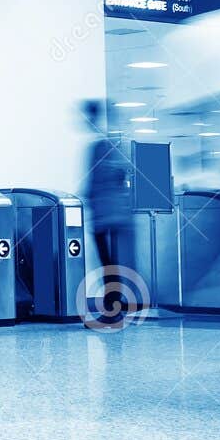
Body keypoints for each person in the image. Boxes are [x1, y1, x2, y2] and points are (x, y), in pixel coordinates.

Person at [81, 99, 134, 329]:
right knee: (111, 263)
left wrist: (87, 197)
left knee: (108, 264)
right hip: (113, 213)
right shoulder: (115, 145)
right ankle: (115, 308)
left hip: (106, 215)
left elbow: (96, 180)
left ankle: (113, 310)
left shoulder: (100, 146)